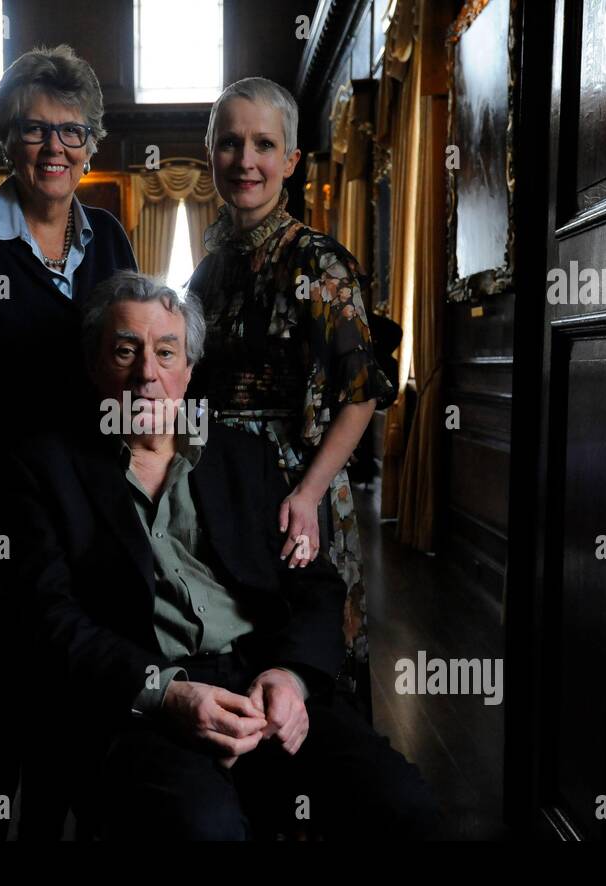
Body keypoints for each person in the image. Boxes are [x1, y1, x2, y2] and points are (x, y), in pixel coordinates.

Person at [0, 271, 439, 840]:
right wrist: (168, 694)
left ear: (188, 370)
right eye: (125, 352)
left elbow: (315, 586)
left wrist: (291, 678)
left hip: (259, 676)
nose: (146, 376)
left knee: (404, 805)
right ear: (93, 366)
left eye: (165, 353)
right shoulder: (45, 469)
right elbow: (49, 620)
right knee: (207, 830)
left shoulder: (241, 456)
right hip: (146, 697)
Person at [0, 45, 136, 840]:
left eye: (71, 132)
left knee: (66, 701)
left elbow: (130, 363)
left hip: (84, 515)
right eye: (35, 130)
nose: (55, 148)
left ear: (92, 143)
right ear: (5, 140)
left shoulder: (109, 238)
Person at [187, 77, 398, 713]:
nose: (245, 160)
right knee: (241, 641)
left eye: (262, 144)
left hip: (296, 487)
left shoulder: (320, 263)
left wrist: (308, 494)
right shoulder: (208, 268)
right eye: (229, 143)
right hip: (221, 479)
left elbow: (360, 395)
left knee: (309, 649)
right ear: (211, 153)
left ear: (291, 160)